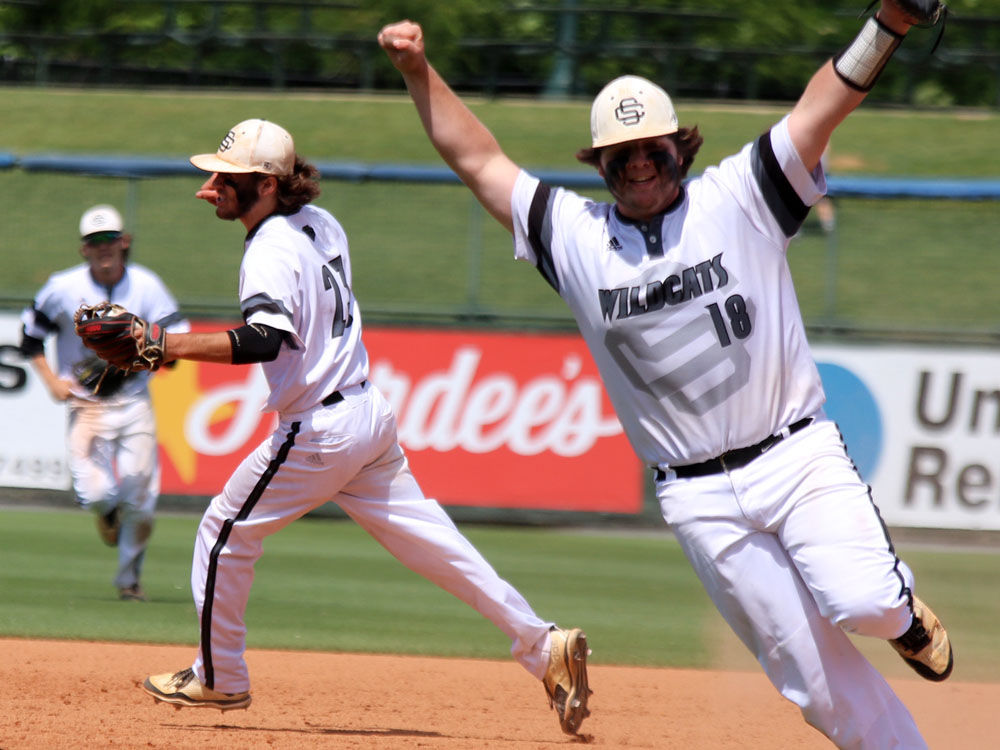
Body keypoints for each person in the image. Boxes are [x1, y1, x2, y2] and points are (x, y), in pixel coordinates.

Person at [378, 4, 952, 748]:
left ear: (680, 146)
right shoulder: (576, 237)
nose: (639, 162)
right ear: (599, 164)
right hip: (697, 496)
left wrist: (889, 23)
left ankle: (904, 617)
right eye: (620, 153)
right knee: (815, 684)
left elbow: (823, 106)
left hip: (794, 455)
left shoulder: (741, 195)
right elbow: (480, 160)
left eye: (652, 147)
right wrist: (417, 70)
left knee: (865, 603)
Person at [137, 119, 591, 737]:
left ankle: (221, 676)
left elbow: (266, 340)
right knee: (439, 546)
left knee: (224, 532)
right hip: (367, 415)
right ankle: (543, 645)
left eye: (228, 177)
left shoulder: (268, 248)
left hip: (320, 430)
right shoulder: (321, 223)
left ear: (266, 186)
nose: (212, 185)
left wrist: (166, 344)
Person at [20, 204, 189, 601]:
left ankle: (129, 582)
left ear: (123, 241)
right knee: (96, 495)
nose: (103, 247)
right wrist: (51, 381)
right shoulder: (63, 287)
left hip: (134, 401)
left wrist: (145, 352)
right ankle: (108, 513)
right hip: (86, 404)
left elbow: (178, 341)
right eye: (94, 241)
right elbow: (30, 337)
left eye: (110, 238)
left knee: (141, 502)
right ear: (84, 248)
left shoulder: (146, 286)